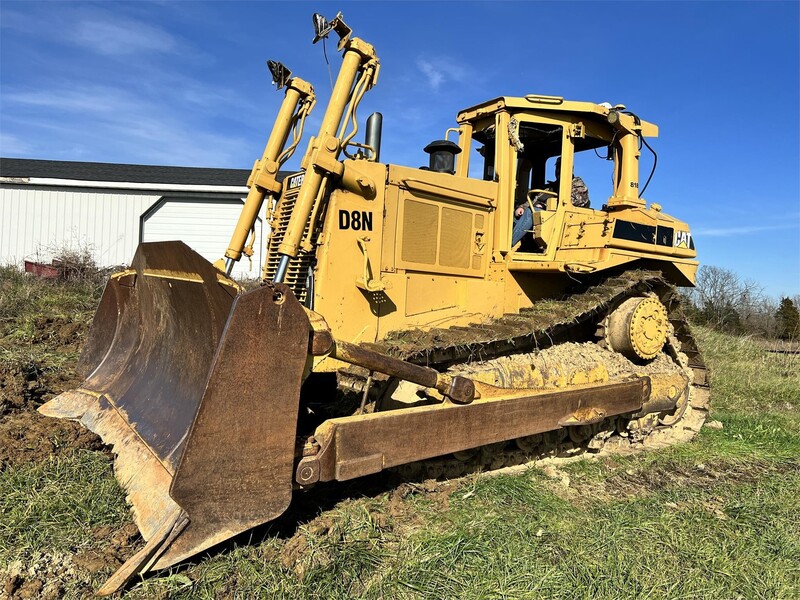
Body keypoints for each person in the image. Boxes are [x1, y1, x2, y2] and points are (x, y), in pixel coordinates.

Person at [512, 158, 590, 246]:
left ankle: (509, 245)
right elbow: (534, 200)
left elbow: (572, 203)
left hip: (564, 222)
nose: (558, 170)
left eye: (561, 167)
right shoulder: (550, 187)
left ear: (570, 169)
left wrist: (544, 206)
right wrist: (522, 207)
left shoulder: (578, 185)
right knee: (514, 214)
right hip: (546, 218)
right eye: (557, 167)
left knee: (531, 212)